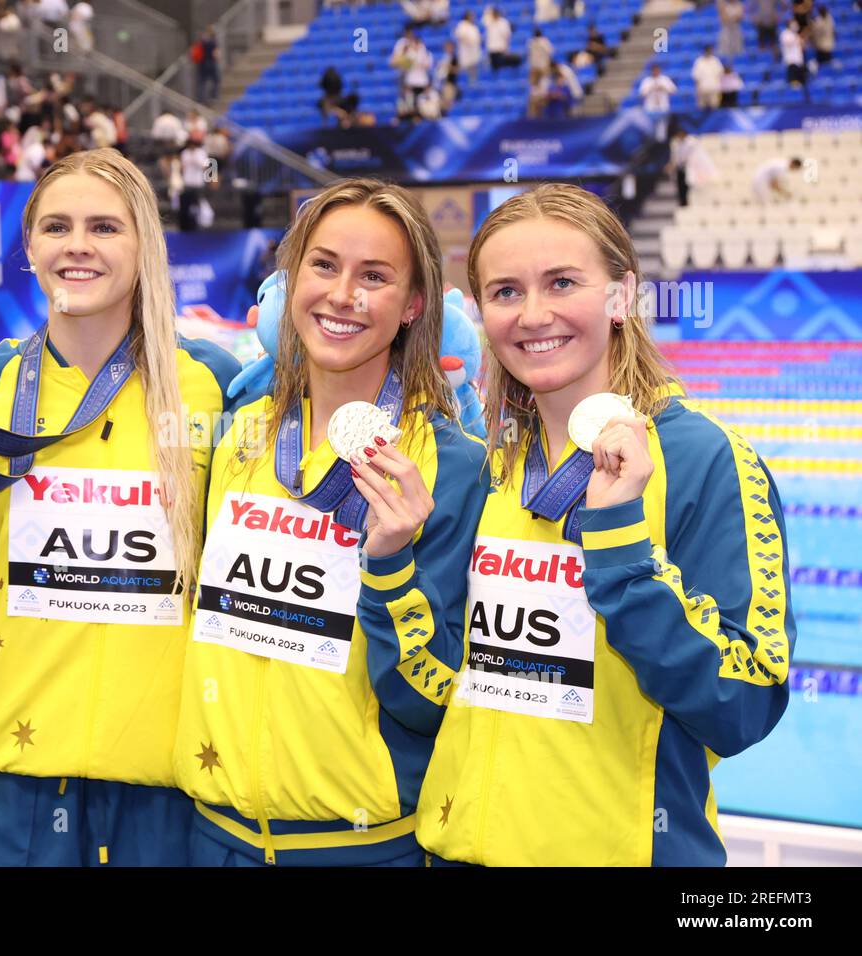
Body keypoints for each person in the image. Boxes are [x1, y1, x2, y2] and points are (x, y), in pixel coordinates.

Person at [366, 183, 794, 866]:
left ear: (621, 295)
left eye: (562, 282)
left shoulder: (703, 459)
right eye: (506, 292)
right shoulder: (495, 464)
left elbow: (744, 701)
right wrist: (387, 570)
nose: (534, 315)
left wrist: (623, 552)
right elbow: (436, 694)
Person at [0, 148, 239, 867]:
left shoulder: (214, 386)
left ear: (144, 245)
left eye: (104, 227)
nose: (77, 245)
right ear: (31, 247)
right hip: (12, 786)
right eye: (57, 227)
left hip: (163, 787)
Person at [174, 177, 487, 867]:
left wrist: (391, 568)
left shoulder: (454, 466)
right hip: (208, 837)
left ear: (412, 305)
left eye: (373, 276)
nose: (343, 295)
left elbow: (439, 699)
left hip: (361, 849)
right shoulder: (239, 434)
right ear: (293, 282)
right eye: (324, 265)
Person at [638, 63, 677, 139]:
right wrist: (651, 88)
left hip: (662, 106)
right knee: (650, 126)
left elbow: (673, 90)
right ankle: (651, 141)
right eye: (654, 70)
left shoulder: (665, 79)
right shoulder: (647, 81)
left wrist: (663, 88)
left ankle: (661, 142)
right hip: (650, 107)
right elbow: (641, 94)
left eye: (657, 70)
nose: (655, 72)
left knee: (662, 127)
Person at [453, 12, 483, 82]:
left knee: (474, 67)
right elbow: (460, 36)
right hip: (466, 51)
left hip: (474, 51)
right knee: (465, 68)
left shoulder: (473, 26)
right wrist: (469, 41)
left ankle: (473, 82)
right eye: (471, 16)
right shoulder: (461, 25)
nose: (473, 18)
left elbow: (477, 38)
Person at [692, 45, 724, 110]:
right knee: (702, 108)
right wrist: (698, 89)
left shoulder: (715, 61)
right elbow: (696, 77)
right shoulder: (699, 61)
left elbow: (720, 74)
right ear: (705, 51)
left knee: (714, 107)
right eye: (708, 50)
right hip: (703, 89)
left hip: (714, 88)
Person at [781, 21, 807, 87]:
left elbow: (802, 45)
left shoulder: (796, 34)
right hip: (791, 59)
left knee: (801, 78)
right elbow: (788, 43)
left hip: (798, 59)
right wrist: (796, 39)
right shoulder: (785, 34)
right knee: (793, 78)